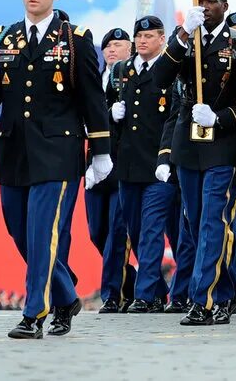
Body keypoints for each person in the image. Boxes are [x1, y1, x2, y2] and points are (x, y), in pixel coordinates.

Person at [0, 0, 112, 339]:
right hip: (13, 149)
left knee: (42, 230)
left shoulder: (75, 39)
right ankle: (65, 295)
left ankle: (34, 314)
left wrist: (102, 150)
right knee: (19, 230)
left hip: (58, 151)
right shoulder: (4, 38)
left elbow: (92, 97)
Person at [152, 0, 236, 326]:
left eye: (212, 1)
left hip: (222, 145)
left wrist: (220, 117)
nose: (206, 6)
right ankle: (224, 290)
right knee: (196, 226)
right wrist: (182, 36)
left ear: (225, 6)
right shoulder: (187, 39)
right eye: (201, 1)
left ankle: (204, 300)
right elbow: (159, 78)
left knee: (213, 221)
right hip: (188, 143)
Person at [109, 16, 180, 313]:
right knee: (136, 230)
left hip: (158, 165)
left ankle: (145, 294)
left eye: (149, 36)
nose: (142, 41)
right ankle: (156, 289)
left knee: (152, 229)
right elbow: (106, 105)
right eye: (139, 36)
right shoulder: (122, 70)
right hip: (128, 163)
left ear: (162, 39)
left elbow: (176, 114)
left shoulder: (169, 71)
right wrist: (111, 112)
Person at [91, 26, 134, 313]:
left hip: (122, 165)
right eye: (108, 45)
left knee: (118, 233)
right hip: (95, 166)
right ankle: (136, 284)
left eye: (118, 44)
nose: (112, 50)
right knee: (97, 233)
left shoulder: (133, 76)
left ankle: (112, 295)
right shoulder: (93, 78)